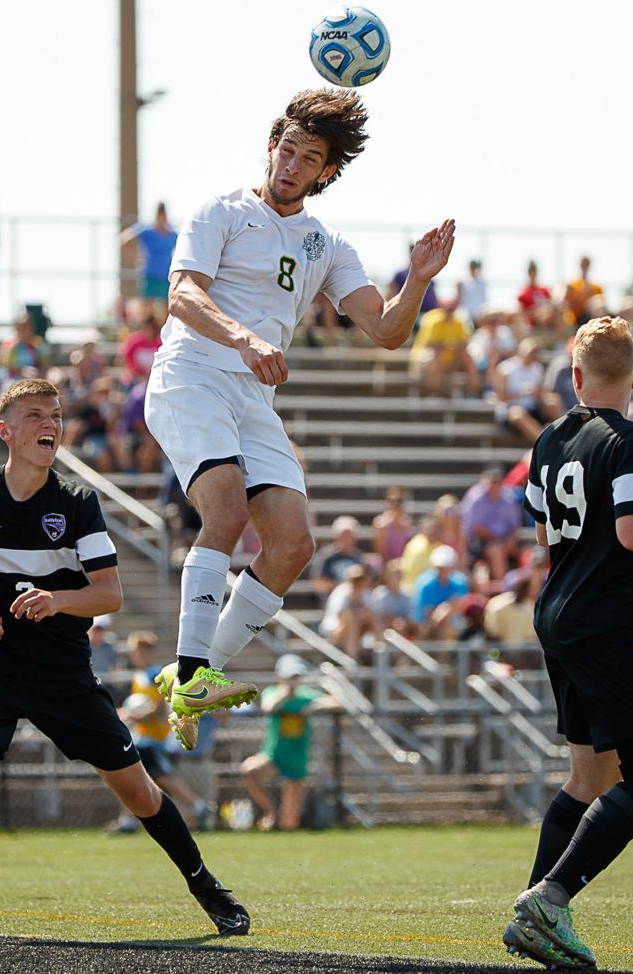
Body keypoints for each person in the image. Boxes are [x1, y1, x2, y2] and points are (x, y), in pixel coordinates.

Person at [143, 89, 454, 751]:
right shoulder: (221, 209)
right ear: (270, 146)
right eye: (286, 148)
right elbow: (183, 295)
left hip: (252, 397)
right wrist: (246, 340)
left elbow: (386, 330)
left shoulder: (325, 244)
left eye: (308, 157)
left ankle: (193, 676)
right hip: (193, 375)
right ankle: (195, 671)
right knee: (225, 516)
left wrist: (420, 280)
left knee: (291, 547)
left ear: (325, 173)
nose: (291, 163)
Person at [0, 378, 249, 944]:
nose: (50, 425)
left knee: (137, 791)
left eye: (56, 415)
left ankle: (209, 890)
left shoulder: (78, 502)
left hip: (64, 673)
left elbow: (110, 594)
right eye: (35, 415)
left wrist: (56, 599)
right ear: (4, 430)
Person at [505, 315, 633, 969]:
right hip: (606, 625)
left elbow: (550, 539)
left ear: (575, 374)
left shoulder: (551, 439)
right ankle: (550, 900)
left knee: (591, 774)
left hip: (558, 616)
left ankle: (533, 909)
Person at [111, 632, 213, 832]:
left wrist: (134, 716)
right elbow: (137, 706)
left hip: (153, 738)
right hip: (141, 736)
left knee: (147, 777)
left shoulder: (154, 674)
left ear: (147, 652)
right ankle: (129, 820)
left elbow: (157, 707)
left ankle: (197, 805)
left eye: (137, 652)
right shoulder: (138, 677)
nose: (134, 656)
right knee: (141, 778)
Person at [239, 654, 341, 831]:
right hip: (273, 754)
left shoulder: (305, 696)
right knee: (250, 770)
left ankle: (283, 829)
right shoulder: (273, 692)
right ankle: (270, 811)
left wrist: (313, 707)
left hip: (297, 757)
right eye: (291, 676)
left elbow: (336, 703)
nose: (295, 680)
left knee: (290, 820)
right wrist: (287, 693)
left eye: (296, 676)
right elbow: (268, 707)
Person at [408, 293, 479, 396]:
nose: (450, 311)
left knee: (467, 356)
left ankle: (474, 390)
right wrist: (451, 345)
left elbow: (463, 344)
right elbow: (431, 345)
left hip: (449, 357)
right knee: (436, 356)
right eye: (448, 308)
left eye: (452, 308)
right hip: (427, 356)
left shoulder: (459, 321)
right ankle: (435, 392)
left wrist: (449, 345)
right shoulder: (432, 320)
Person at [461, 467, 521, 581]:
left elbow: (515, 525)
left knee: (528, 552)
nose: (495, 485)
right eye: (492, 482)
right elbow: (476, 528)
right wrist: (500, 541)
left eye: (498, 482)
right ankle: (503, 588)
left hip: (505, 539)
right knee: (496, 550)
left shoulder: (508, 497)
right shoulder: (475, 497)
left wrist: (511, 540)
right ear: (485, 481)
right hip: (479, 541)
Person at [121, 203, 178, 310]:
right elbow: (124, 240)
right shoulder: (147, 231)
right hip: (150, 276)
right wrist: (136, 258)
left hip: (166, 277)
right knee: (146, 309)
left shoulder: (172, 234)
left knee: (169, 309)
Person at [371, 485, 413, 566]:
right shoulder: (380, 524)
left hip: (402, 564)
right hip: (385, 566)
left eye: (399, 500)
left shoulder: (407, 523)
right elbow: (381, 555)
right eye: (392, 501)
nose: (396, 504)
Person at [562, 256, 603, 328]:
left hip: (591, 317)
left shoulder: (596, 287)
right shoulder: (572, 285)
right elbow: (568, 304)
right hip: (577, 318)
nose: (585, 267)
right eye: (583, 264)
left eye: (586, 264)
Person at [457, 258, 487, 323]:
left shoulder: (482, 282)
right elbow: (458, 298)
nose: (474, 269)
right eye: (472, 267)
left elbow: (483, 298)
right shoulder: (462, 281)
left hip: (479, 313)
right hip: (466, 313)